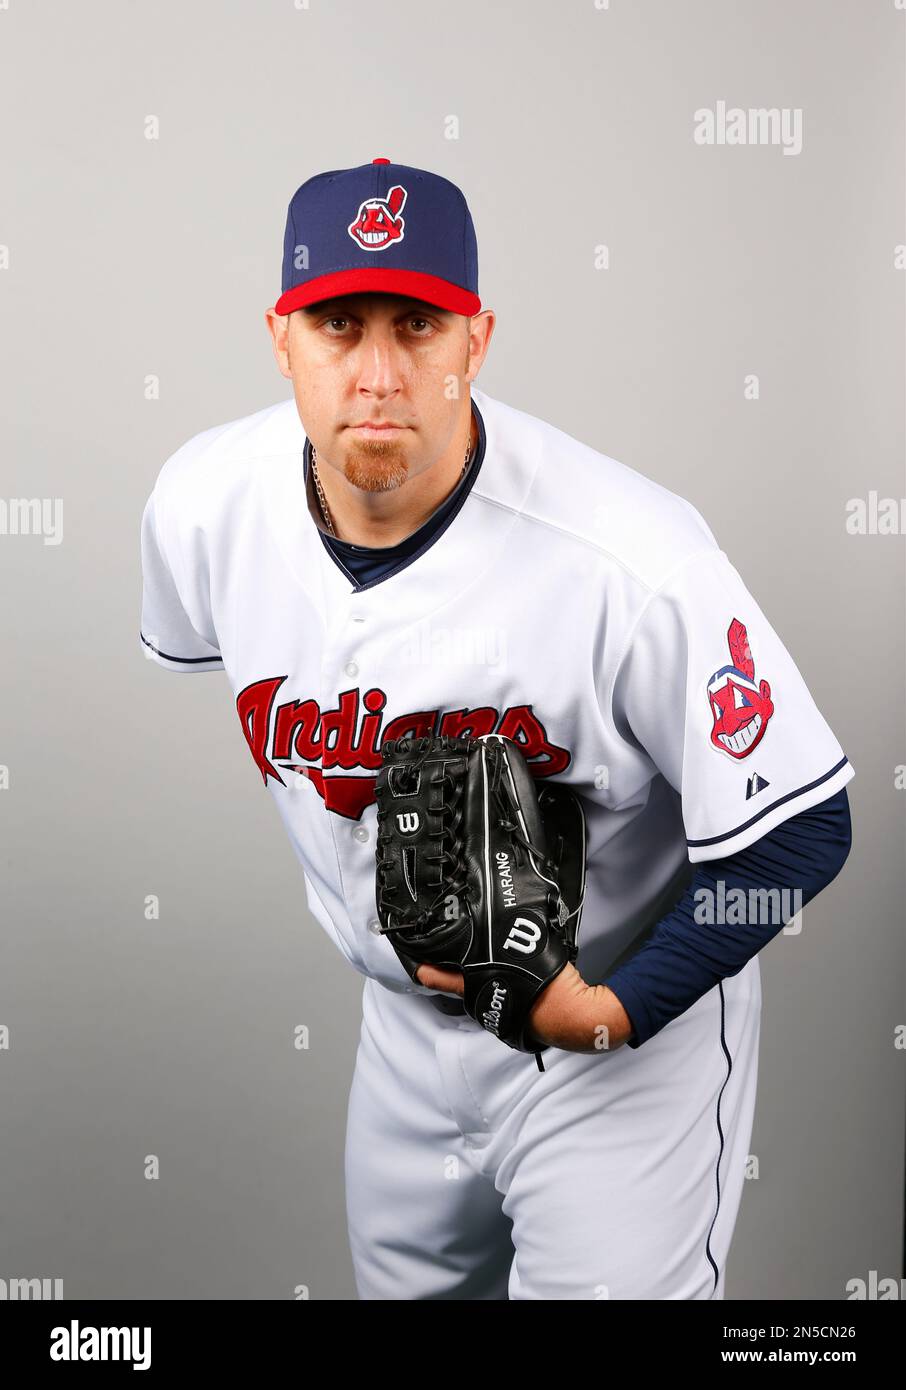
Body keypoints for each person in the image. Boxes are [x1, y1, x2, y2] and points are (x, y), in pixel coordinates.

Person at [139, 157, 854, 1299]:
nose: (377, 372)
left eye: (417, 324)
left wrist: (618, 1009)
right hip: (403, 1039)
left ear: (477, 339)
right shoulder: (200, 509)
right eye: (338, 322)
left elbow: (807, 833)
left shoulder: (634, 559)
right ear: (281, 337)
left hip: (622, 1046)